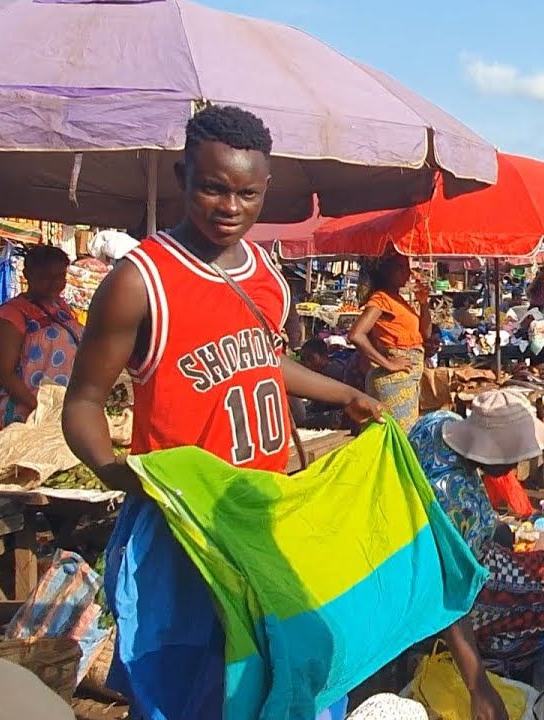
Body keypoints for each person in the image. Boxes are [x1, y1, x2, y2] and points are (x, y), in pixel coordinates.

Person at [61, 105, 504, 720]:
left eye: (246, 192)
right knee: (184, 689)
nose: (229, 206)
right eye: (212, 187)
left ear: (264, 189)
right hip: (188, 527)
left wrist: (339, 392)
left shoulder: (266, 277)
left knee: (282, 676)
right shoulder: (141, 282)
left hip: (270, 510)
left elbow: (264, 363)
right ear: (181, 176)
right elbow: (81, 403)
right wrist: (120, 474)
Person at [409, 390, 544, 665]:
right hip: (454, 589)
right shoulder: (458, 503)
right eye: (513, 457)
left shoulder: (436, 423)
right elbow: (459, 588)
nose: (516, 464)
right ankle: (520, 657)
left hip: (435, 553)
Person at [0, 245, 82, 423]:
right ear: (27, 274)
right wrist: (40, 409)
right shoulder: (11, 315)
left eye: (60, 276)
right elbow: (5, 374)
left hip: (61, 412)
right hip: (28, 413)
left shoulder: (60, 306)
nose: (55, 283)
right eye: (46, 277)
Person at [348, 254, 432, 432]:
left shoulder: (398, 300)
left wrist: (424, 303)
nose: (408, 272)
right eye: (400, 267)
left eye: (407, 267)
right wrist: (388, 364)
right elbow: (356, 334)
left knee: (402, 436)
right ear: (386, 271)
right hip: (394, 380)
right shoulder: (381, 298)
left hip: (407, 377)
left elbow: (426, 333)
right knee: (399, 436)